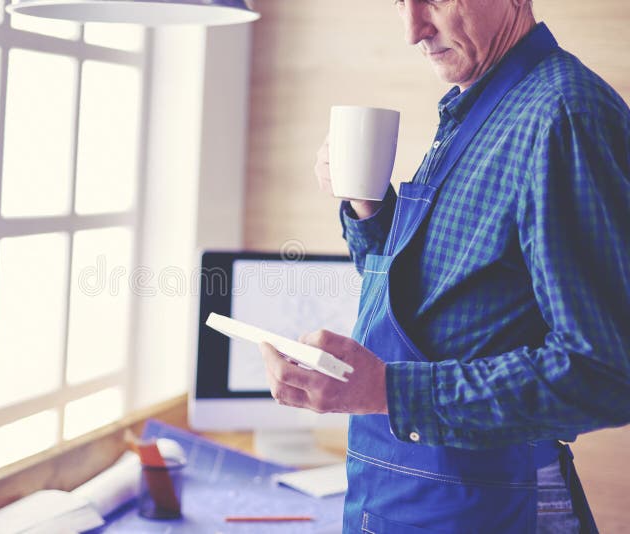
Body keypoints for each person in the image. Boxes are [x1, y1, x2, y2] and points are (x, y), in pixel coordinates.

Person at [258, 0, 630, 532]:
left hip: (488, 506)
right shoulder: (477, 107)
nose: (413, 30)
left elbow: (606, 372)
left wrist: (386, 391)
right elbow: (429, 305)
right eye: (399, 2)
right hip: (413, 500)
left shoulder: (564, 116)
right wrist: (367, 205)